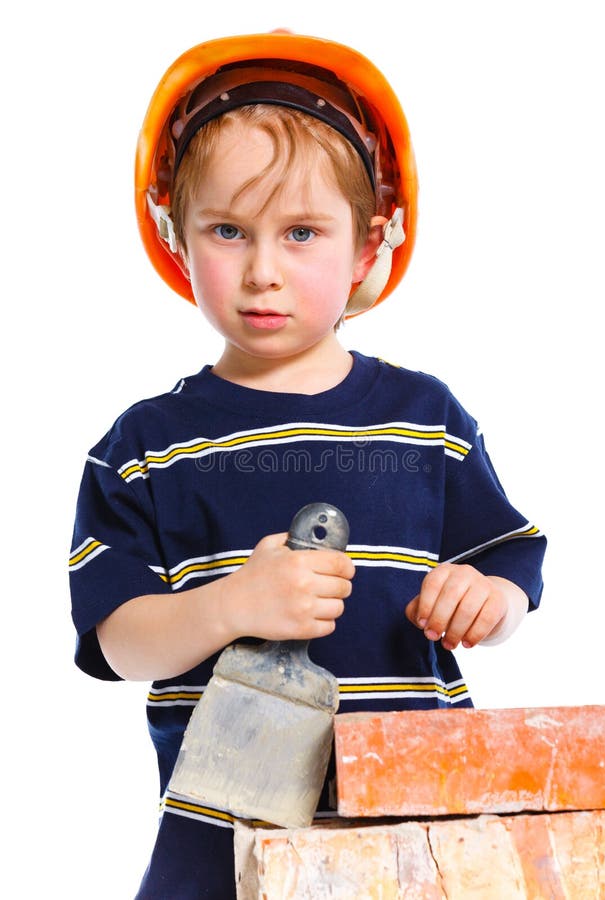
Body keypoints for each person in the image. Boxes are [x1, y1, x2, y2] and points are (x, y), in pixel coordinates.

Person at [69, 30, 546, 898]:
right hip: (222, 846)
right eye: (227, 230)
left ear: (368, 248)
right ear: (175, 238)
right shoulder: (145, 444)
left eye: (300, 232)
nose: (262, 273)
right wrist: (230, 606)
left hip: (414, 839)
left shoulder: (426, 422)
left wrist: (495, 600)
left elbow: (507, 559)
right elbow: (116, 638)